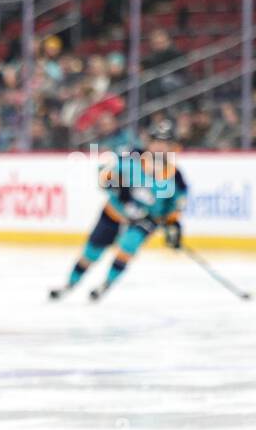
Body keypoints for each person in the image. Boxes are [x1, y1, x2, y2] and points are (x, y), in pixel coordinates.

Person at [50, 120, 186, 301]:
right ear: (149, 142)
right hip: (115, 211)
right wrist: (116, 186)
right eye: (156, 141)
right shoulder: (130, 159)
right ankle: (70, 284)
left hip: (145, 219)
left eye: (164, 143)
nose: (159, 146)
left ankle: (106, 284)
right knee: (92, 251)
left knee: (128, 247)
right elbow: (104, 176)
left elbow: (177, 203)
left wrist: (172, 224)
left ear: (170, 147)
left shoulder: (174, 176)